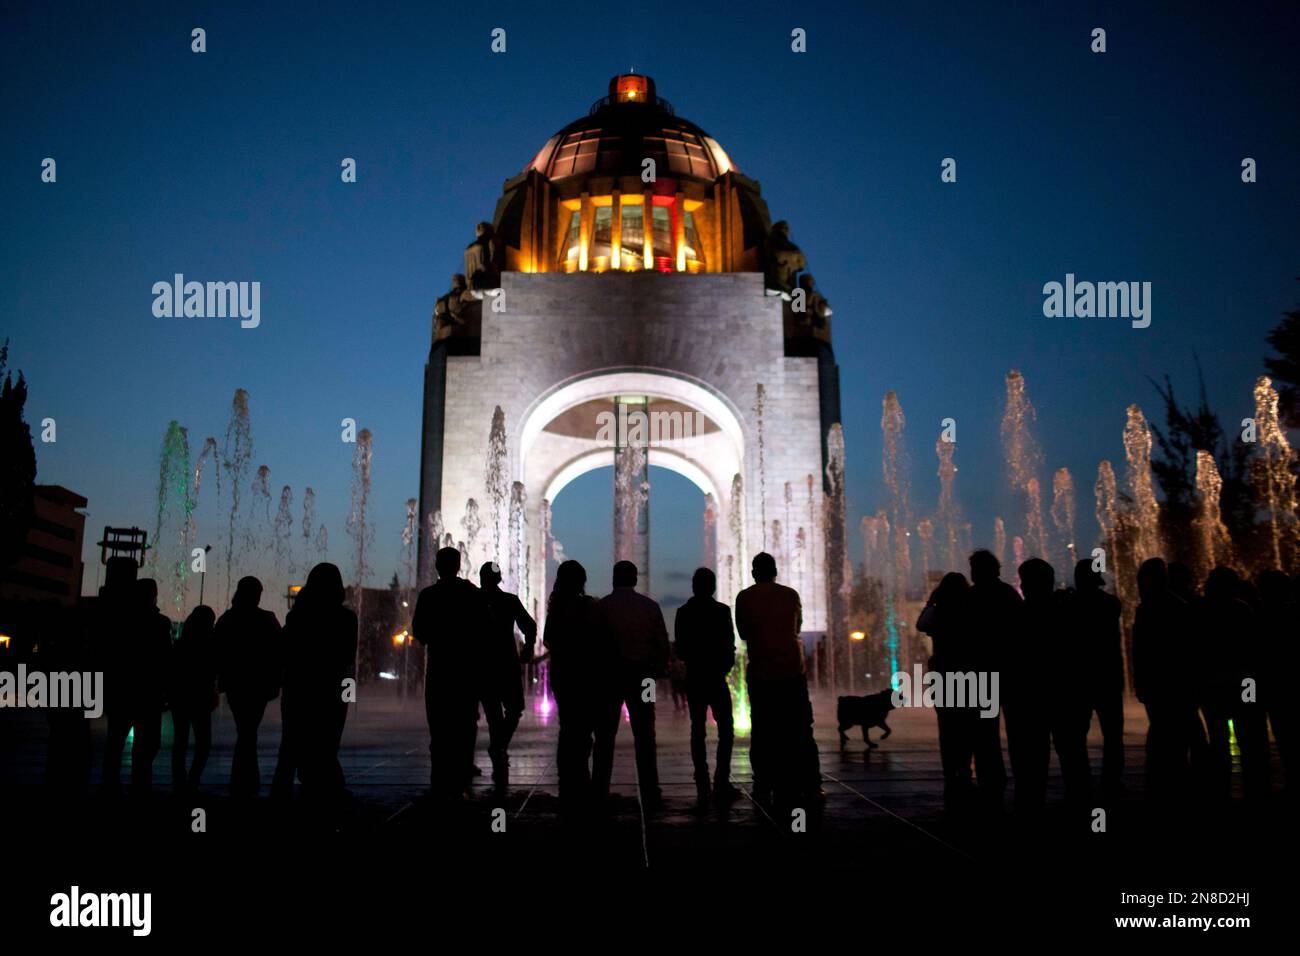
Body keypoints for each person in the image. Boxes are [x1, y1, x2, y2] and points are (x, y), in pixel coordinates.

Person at [735, 552, 822, 806]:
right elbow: (797, 628)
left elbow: (743, 633)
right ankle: (812, 784)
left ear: (753, 573)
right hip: (792, 672)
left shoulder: (745, 597)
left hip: (762, 673)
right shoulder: (791, 595)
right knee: (801, 730)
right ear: (775, 572)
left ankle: (763, 784)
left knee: (762, 731)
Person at [1007, 558, 1090, 811]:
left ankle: (1031, 806)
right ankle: (1080, 802)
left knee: (1032, 759)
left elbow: (1010, 660)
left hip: (1031, 699)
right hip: (1065, 695)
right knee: (1073, 753)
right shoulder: (1068, 611)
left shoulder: (1019, 616)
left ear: (1026, 583)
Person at [271, 562, 357, 803]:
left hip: (299, 687)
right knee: (327, 741)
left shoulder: (297, 616)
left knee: (291, 742)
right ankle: (325, 789)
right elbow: (348, 655)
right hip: (332, 688)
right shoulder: (347, 618)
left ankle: (282, 792)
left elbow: (285, 652)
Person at [410, 548, 490, 801]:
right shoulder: (471, 594)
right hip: (466, 670)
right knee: (465, 722)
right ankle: (462, 770)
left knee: (440, 722)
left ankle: (440, 775)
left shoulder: (429, 595)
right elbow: (485, 627)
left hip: (440, 668)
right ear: (458, 565)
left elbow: (420, 632)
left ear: (436, 566)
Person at [543, 560, 621, 814]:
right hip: (589, 678)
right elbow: (606, 640)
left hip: (565, 678)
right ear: (582, 581)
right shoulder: (592, 607)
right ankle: (591, 785)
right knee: (588, 732)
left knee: (569, 730)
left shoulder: (555, 608)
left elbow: (549, 640)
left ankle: (570, 782)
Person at [599, 561, 670, 809]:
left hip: (611, 677)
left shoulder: (602, 607)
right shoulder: (650, 607)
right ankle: (651, 788)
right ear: (635, 579)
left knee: (605, 733)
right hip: (645, 677)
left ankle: (600, 787)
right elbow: (661, 644)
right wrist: (658, 669)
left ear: (614, 579)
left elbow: (595, 644)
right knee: (645, 731)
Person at [952, 550, 1016, 809]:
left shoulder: (971, 597)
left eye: (974, 568)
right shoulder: (1009, 595)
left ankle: (992, 780)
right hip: (1009, 671)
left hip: (981, 674)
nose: (972, 572)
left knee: (984, 733)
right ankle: (1016, 779)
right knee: (1016, 731)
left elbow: (960, 635)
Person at [1132, 557, 1199, 797]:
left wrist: (1139, 681)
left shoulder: (1151, 608)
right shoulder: (1178, 606)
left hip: (1162, 682)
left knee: (1164, 728)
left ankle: (1164, 777)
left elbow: (1140, 650)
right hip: (1174, 682)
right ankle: (1176, 774)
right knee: (1174, 729)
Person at [673, 567, 738, 805]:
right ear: (712, 587)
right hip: (716, 677)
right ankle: (721, 780)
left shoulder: (684, 612)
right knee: (726, 730)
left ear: (694, 586)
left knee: (697, 729)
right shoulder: (722, 611)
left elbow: (680, 648)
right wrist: (724, 668)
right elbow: (729, 645)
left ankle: (702, 779)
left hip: (695, 677)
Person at [102, 578, 172, 797]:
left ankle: (110, 784)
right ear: (154, 595)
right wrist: (165, 691)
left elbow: (110, 658)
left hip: (121, 692)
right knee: (147, 746)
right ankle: (140, 786)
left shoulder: (120, 622)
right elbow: (164, 660)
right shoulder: (160, 623)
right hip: (148, 694)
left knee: (115, 742)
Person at [215, 576, 282, 798]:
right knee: (248, 730)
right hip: (258, 685)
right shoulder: (267, 619)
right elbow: (280, 650)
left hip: (236, 684)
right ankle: (246, 780)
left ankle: (243, 779)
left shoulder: (227, 619)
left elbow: (218, 652)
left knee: (246, 729)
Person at [478, 561, 537, 789]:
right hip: (505, 664)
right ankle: (499, 747)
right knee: (514, 709)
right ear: (499, 578)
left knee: (494, 713)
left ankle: (498, 747)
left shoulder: (475, 601)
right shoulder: (509, 600)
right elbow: (529, 625)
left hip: (482, 665)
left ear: (483, 578)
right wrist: (528, 647)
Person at [1068, 559, 1125, 794]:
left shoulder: (1072, 605)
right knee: (1112, 734)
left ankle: (1080, 781)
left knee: (1076, 735)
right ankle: (1111, 780)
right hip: (1107, 677)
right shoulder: (1111, 603)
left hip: (1081, 679)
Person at [916, 571, 971, 808]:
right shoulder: (971, 609)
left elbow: (921, 624)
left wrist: (930, 602)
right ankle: (965, 768)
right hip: (971, 672)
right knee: (969, 723)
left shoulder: (939, 610)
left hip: (944, 672)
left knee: (948, 725)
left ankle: (952, 772)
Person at [170, 605, 217, 794]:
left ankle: (179, 779)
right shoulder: (210, 645)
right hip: (201, 698)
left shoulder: (181, 644)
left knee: (180, 740)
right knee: (204, 742)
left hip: (180, 698)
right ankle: (194, 778)